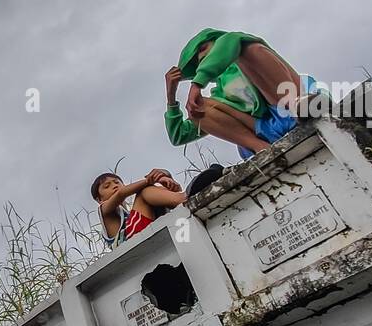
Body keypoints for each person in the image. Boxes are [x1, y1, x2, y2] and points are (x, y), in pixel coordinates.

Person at [164, 28, 320, 160]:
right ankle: (261, 148)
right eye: (200, 63)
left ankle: (298, 107)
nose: (203, 59)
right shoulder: (220, 96)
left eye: (204, 48)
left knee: (251, 49)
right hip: (264, 131)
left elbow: (232, 40)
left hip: (288, 104)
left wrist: (197, 83)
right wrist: (171, 97)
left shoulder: (242, 49)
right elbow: (179, 136)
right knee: (198, 108)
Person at [92, 168, 188, 250]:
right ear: (99, 199)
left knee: (153, 195)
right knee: (143, 193)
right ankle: (184, 198)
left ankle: (179, 197)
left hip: (150, 233)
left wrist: (165, 177)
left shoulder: (133, 215)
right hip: (131, 246)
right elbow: (121, 194)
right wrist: (149, 181)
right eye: (107, 186)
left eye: (117, 182)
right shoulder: (104, 210)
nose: (114, 186)